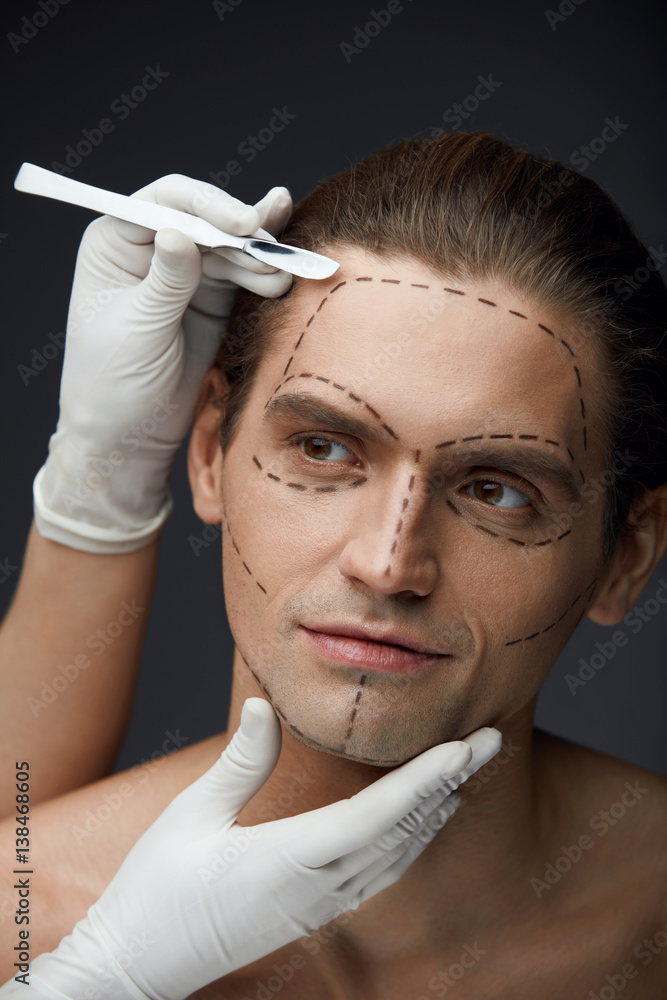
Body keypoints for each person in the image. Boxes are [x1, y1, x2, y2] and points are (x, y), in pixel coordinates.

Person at [1, 130, 666, 998]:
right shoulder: (31, 916)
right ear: (209, 450)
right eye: (322, 447)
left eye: (496, 491)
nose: (388, 565)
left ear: (625, 557)